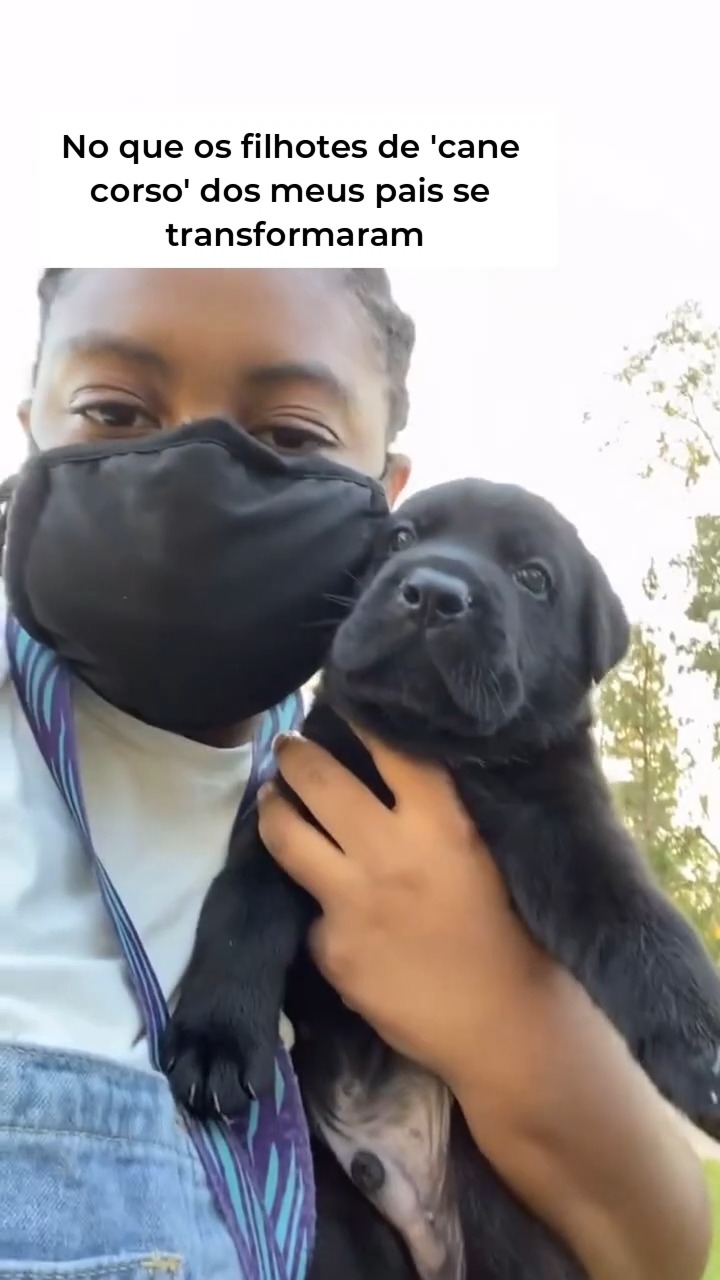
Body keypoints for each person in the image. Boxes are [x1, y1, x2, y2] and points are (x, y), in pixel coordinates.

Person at [0, 267, 710, 1280]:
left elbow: (661, 1240)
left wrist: (506, 1015)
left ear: (376, 498)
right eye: (113, 411)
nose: (200, 467)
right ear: (30, 426)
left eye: (290, 435)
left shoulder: (469, 762)